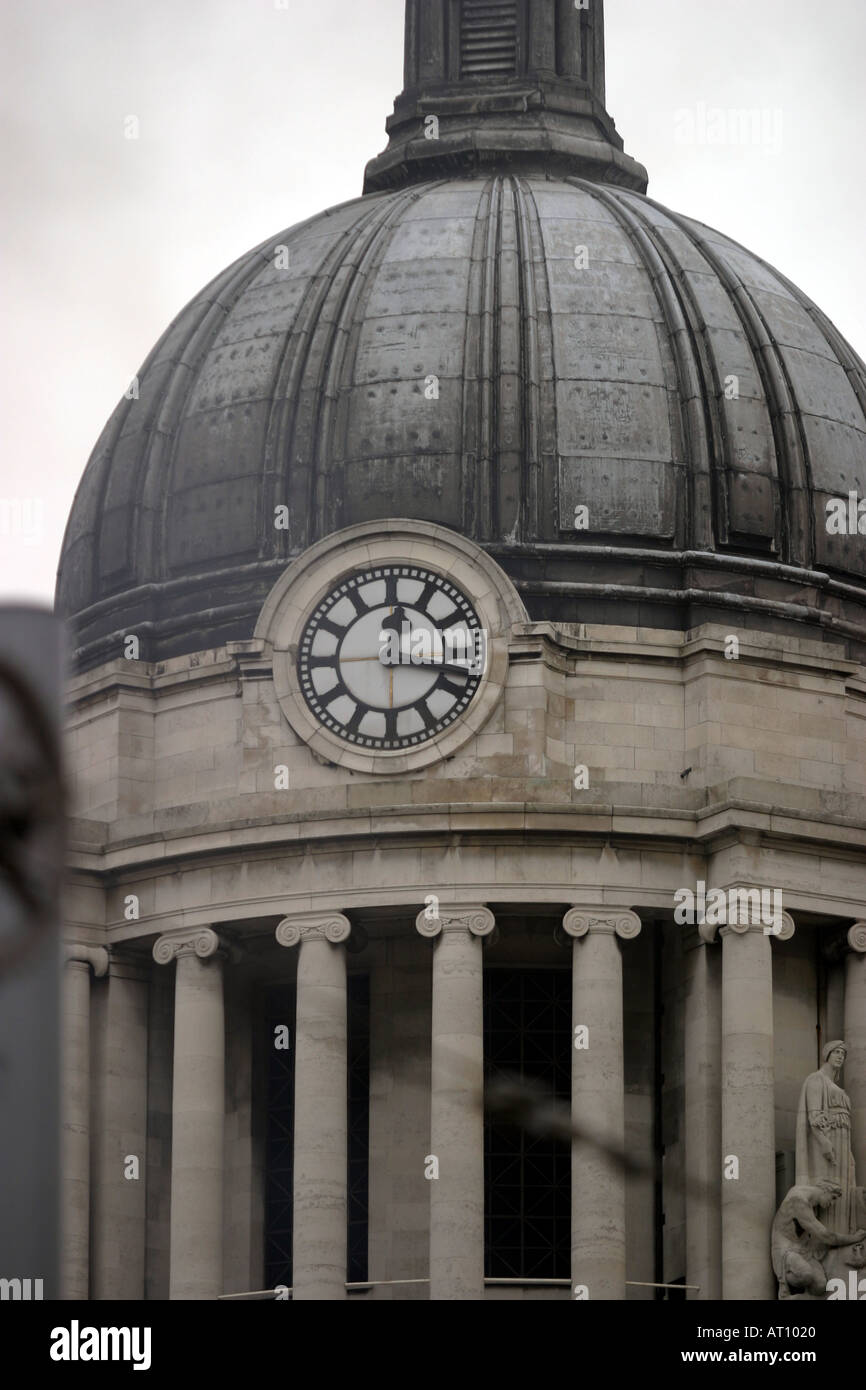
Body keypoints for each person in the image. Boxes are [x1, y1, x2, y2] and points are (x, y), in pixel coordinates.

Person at [795, 1041, 858, 1235]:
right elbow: (814, 1116)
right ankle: (828, 1237)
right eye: (836, 1052)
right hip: (828, 1141)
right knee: (829, 1187)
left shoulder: (833, 1085)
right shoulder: (816, 1080)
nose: (840, 1056)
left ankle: (842, 1234)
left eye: (843, 1054)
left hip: (843, 1141)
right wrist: (824, 1142)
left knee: (845, 1188)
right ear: (827, 1055)